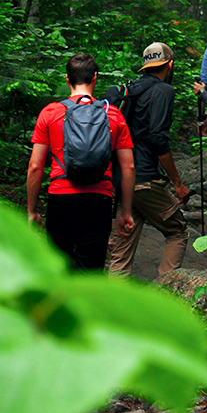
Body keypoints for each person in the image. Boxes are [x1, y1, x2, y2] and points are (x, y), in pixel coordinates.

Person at [26, 52, 135, 270]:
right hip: (99, 200)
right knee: (91, 272)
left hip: (61, 198)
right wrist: (126, 211)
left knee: (59, 269)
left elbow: (35, 167)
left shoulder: (50, 113)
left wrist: (32, 210)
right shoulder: (112, 115)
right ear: (95, 77)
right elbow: (129, 166)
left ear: (67, 78)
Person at [107, 42, 190, 279]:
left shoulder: (129, 91)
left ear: (145, 67)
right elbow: (158, 139)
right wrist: (177, 183)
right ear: (170, 65)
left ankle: (111, 308)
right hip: (143, 179)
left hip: (120, 179)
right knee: (177, 231)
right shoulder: (163, 91)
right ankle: (166, 293)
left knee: (120, 252)